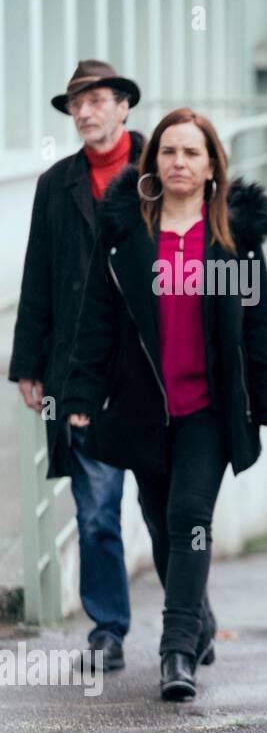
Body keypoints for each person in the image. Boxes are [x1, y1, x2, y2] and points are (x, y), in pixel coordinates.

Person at [62, 108, 267, 701]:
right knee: (162, 527)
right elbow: (98, 323)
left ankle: (176, 651)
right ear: (153, 163)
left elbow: (254, 329)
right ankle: (200, 620)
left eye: (191, 153)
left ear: (212, 166)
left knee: (191, 520)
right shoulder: (128, 236)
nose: (180, 162)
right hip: (143, 407)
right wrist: (81, 395)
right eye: (169, 152)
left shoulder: (233, 241)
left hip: (209, 412)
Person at [9, 61, 144, 671]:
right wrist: (28, 364)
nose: (84, 112)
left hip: (153, 370)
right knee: (95, 510)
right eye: (76, 105)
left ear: (123, 106)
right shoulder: (56, 184)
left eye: (95, 100)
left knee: (170, 510)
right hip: (79, 374)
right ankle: (108, 627)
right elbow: (37, 275)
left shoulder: (161, 169)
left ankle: (189, 618)